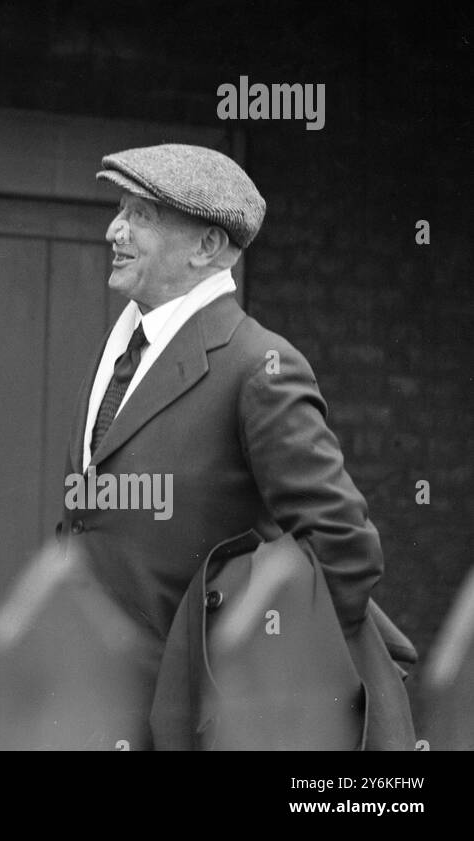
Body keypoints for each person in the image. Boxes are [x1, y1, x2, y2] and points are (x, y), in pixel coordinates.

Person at [58, 142, 385, 749]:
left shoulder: (261, 364)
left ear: (208, 246)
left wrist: (246, 694)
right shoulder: (119, 347)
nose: (114, 229)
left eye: (142, 214)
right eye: (119, 209)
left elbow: (345, 548)